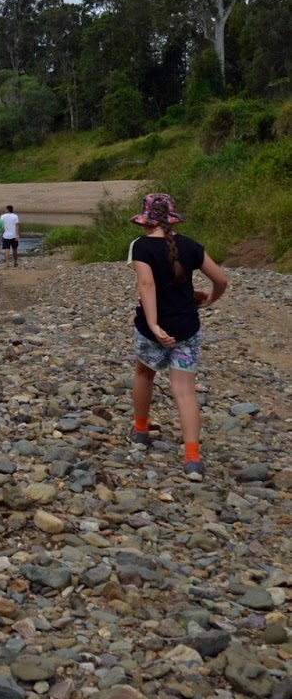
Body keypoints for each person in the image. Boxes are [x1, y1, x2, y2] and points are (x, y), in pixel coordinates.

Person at [128, 192, 227, 482]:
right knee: (185, 391)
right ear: (172, 219)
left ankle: (141, 431)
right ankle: (192, 459)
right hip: (186, 327)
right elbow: (220, 279)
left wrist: (154, 324)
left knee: (144, 373)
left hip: (151, 328)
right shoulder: (190, 246)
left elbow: (146, 284)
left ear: (146, 220)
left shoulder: (141, 247)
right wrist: (209, 299)